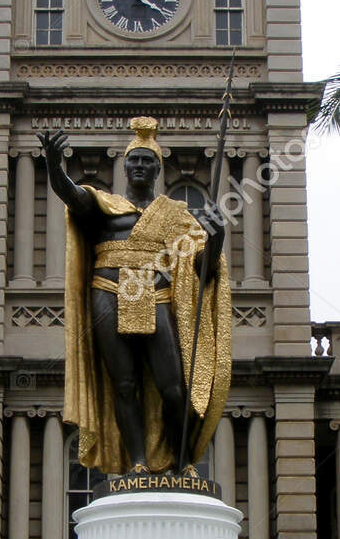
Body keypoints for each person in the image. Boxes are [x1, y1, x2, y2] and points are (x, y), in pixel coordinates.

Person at [41, 116, 232, 474]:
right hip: (108, 294)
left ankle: (181, 461)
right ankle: (138, 464)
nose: (140, 166)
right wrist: (55, 168)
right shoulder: (105, 206)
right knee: (124, 384)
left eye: (148, 161)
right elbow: (72, 196)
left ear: (158, 169)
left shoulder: (176, 216)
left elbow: (201, 268)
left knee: (174, 388)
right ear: (125, 166)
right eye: (135, 160)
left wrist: (217, 236)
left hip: (156, 296)